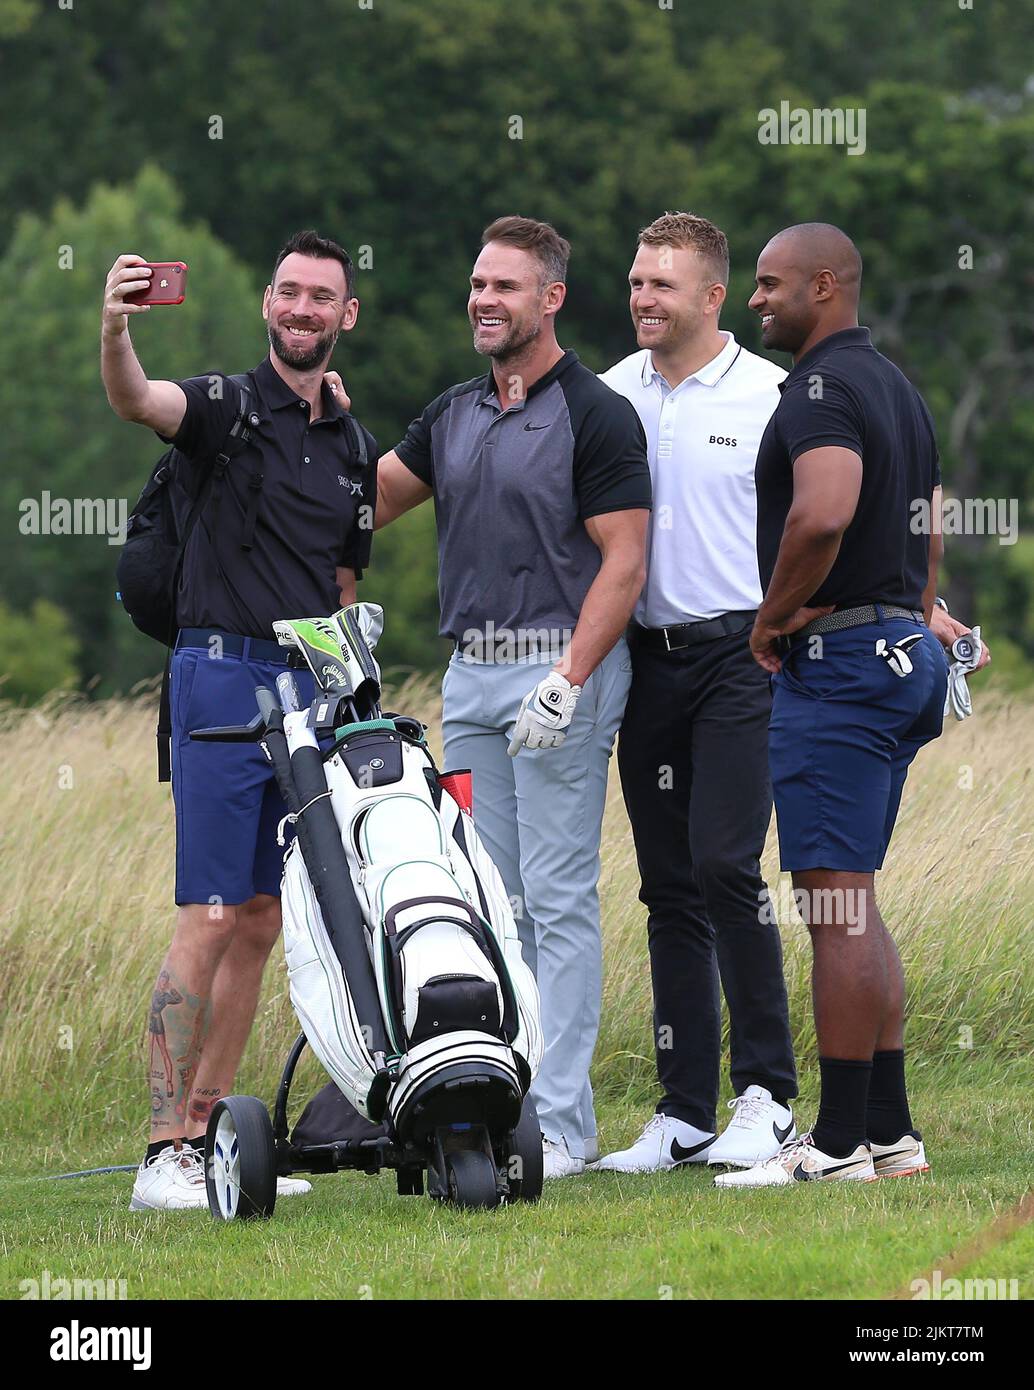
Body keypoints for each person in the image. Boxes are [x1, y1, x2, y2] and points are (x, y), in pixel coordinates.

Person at [369, 215, 652, 1180]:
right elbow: (364, 504)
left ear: (552, 299)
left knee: (559, 898)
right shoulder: (451, 412)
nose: (485, 300)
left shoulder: (596, 411)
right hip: (470, 679)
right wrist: (302, 434)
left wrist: (569, 682)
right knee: (488, 901)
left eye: (506, 287)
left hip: (557, 670)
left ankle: (565, 1125)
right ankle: (501, 1104)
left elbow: (627, 559)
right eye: (478, 284)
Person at [102, 230, 378, 1210]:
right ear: (269, 302)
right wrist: (115, 325)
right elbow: (139, 399)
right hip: (219, 679)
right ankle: (159, 1150)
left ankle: (213, 1131)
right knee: (210, 914)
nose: (303, 311)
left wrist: (354, 695)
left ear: (346, 316)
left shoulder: (350, 444)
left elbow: (338, 586)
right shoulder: (224, 405)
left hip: (303, 692)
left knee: (260, 919)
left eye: (322, 299)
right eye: (290, 294)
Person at [717, 222, 988, 1189]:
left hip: (838, 663)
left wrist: (772, 616)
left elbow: (826, 508)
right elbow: (931, 528)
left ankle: (834, 1146)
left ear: (823, 287)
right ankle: (893, 1132)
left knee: (831, 904)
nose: (757, 301)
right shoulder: (900, 390)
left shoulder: (819, 389)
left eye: (769, 284)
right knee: (854, 898)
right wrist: (919, 617)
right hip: (898, 656)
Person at [594, 212, 797, 1174]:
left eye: (661, 285)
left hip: (742, 656)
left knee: (726, 866)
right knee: (668, 887)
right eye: (636, 282)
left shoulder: (771, 393)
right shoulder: (606, 396)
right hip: (648, 662)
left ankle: (767, 1096)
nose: (641, 298)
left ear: (713, 297)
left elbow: (835, 511)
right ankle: (682, 1112)